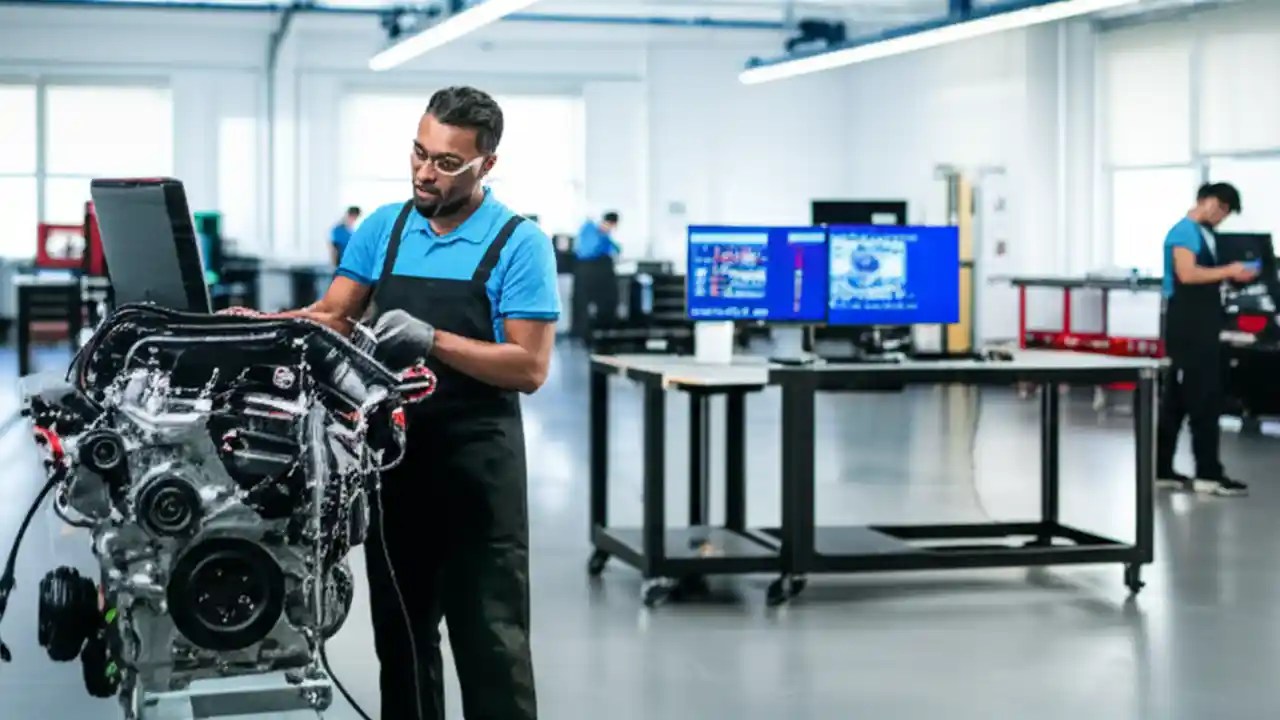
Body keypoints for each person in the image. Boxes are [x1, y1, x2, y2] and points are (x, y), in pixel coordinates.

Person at [288, 86, 556, 719]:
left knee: (491, 645)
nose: (424, 172)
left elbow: (530, 366)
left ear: (486, 164)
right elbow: (333, 316)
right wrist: (261, 325)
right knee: (403, 644)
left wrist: (434, 340)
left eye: (446, 162)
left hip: (476, 470)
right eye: (419, 152)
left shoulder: (519, 243)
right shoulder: (384, 228)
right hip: (393, 466)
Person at [1156, 182, 1255, 496]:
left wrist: (1235, 276)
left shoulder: (1206, 235)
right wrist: (1229, 270)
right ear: (1207, 200)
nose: (1222, 216)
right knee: (1204, 397)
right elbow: (1187, 273)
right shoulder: (1184, 231)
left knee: (1178, 398)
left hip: (1200, 322)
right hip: (1188, 324)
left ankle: (1162, 469)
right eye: (1222, 208)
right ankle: (1208, 474)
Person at [571, 211, 620, 340]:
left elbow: (615, 249)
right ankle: (583, 332)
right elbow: (587, 250)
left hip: (600, 270)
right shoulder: (590, 229)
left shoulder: (605, 236)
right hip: (586, 269)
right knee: (583, 302)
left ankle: (602, 330)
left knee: (607, 300)